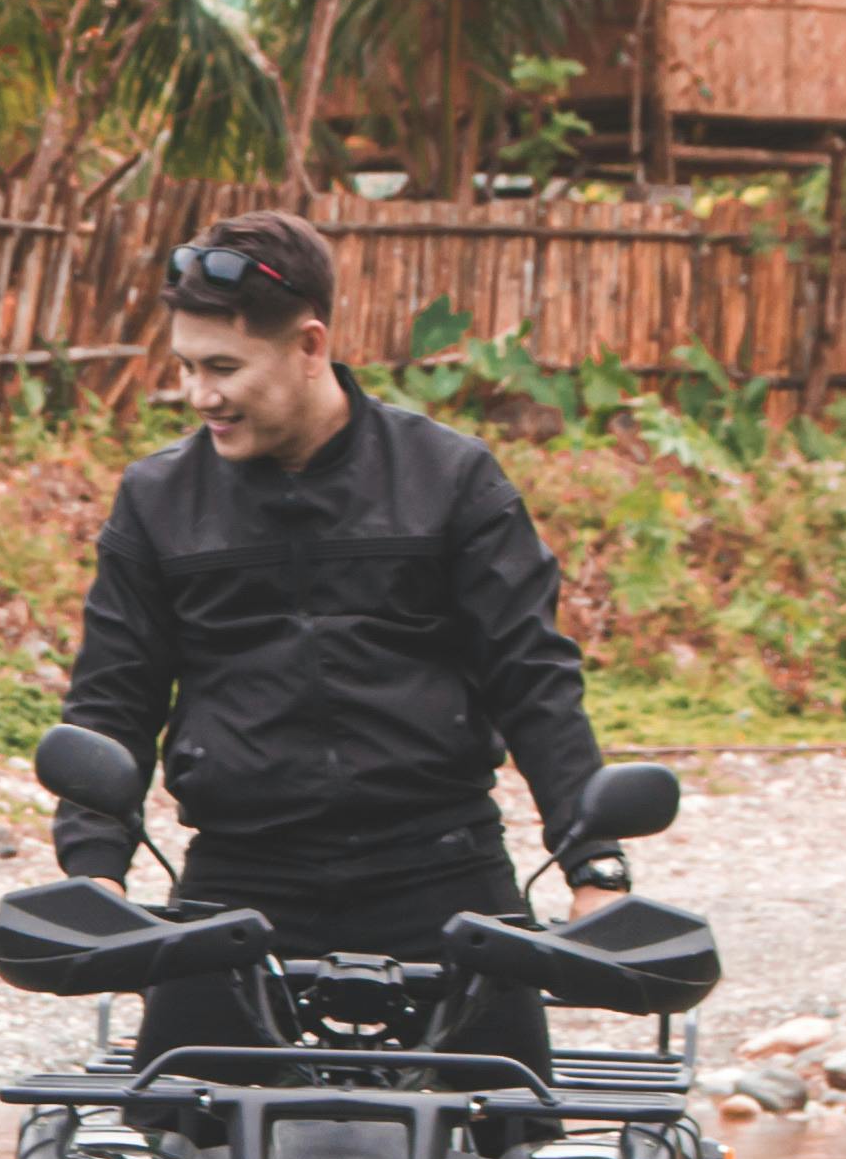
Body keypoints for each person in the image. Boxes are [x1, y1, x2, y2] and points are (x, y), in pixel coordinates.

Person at [54, 210, 624, 1066]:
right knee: (170, 1146)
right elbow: (114, 698)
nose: (199, 395)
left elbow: (532, 678)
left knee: (510, 1146)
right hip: (238, 884)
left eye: (223, 368)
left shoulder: (453, 480)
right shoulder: (157, 500)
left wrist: (594, 869)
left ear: (310, 344)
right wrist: (94, 874)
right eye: (186, 368)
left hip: (442, 873)